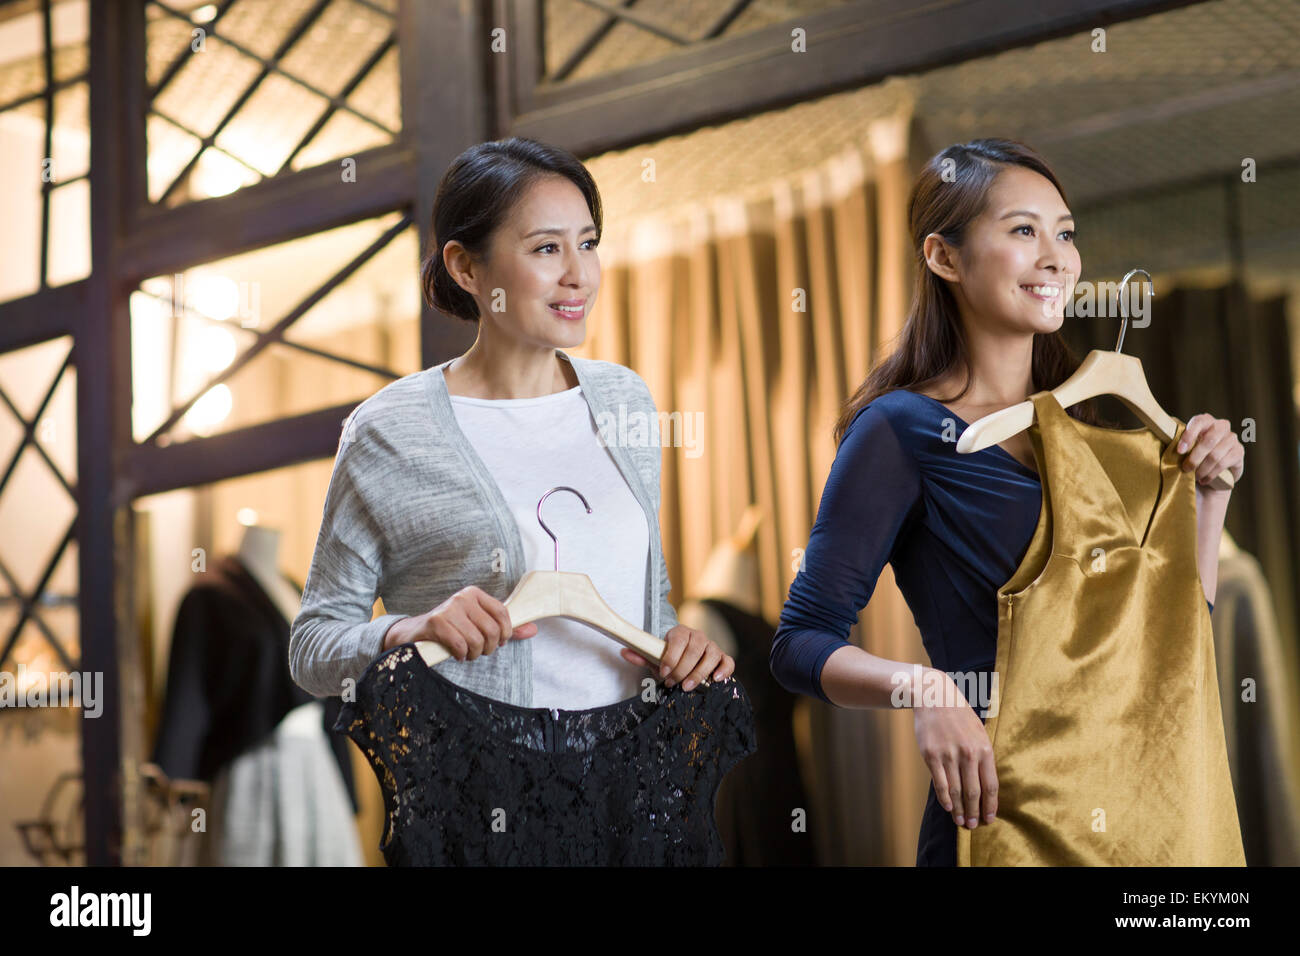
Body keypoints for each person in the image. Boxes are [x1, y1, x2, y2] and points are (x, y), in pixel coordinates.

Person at [768, 137, 1245, 866]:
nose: (1056, 256)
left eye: (1065, 233)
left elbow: (1175, 646)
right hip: (1006, 823)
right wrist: (923, 691)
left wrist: (1209, 499)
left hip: (1152, 823)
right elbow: (798, 642)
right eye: (1023, 231)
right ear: (944, 258)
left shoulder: (1101, 444)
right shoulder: (903, 431)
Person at [290, 137, 733, 719]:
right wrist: (409, 630)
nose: (579, 275)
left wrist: (677, 641)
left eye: (589, 243)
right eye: (547, 248)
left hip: (635, 775)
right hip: (473, 779)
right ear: (466, 267)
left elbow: (644, 600)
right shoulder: (389, 430)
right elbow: (312, 647)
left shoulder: (625, 399)